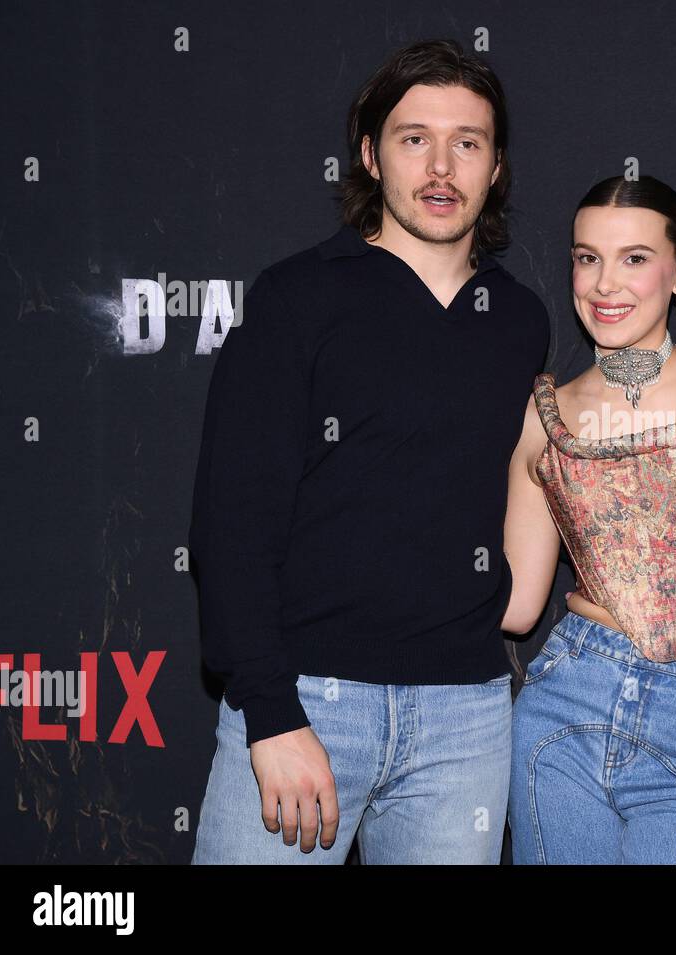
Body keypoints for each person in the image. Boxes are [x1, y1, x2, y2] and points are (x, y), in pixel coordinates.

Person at [189, 39, 549, 863]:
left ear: (496, 167)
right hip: (309, 698)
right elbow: (232, 521)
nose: (441, 164)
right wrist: (271, 710)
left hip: (467, 716)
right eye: (413, 137)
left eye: (468, 141)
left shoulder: (521, 319)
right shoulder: (296, 298)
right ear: (368, 154)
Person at [500, 175, 676, 863]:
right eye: (587, 257)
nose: (604, 283)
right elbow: (515, 604)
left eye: (634, 258)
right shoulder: (544, 418)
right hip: (565, 706)